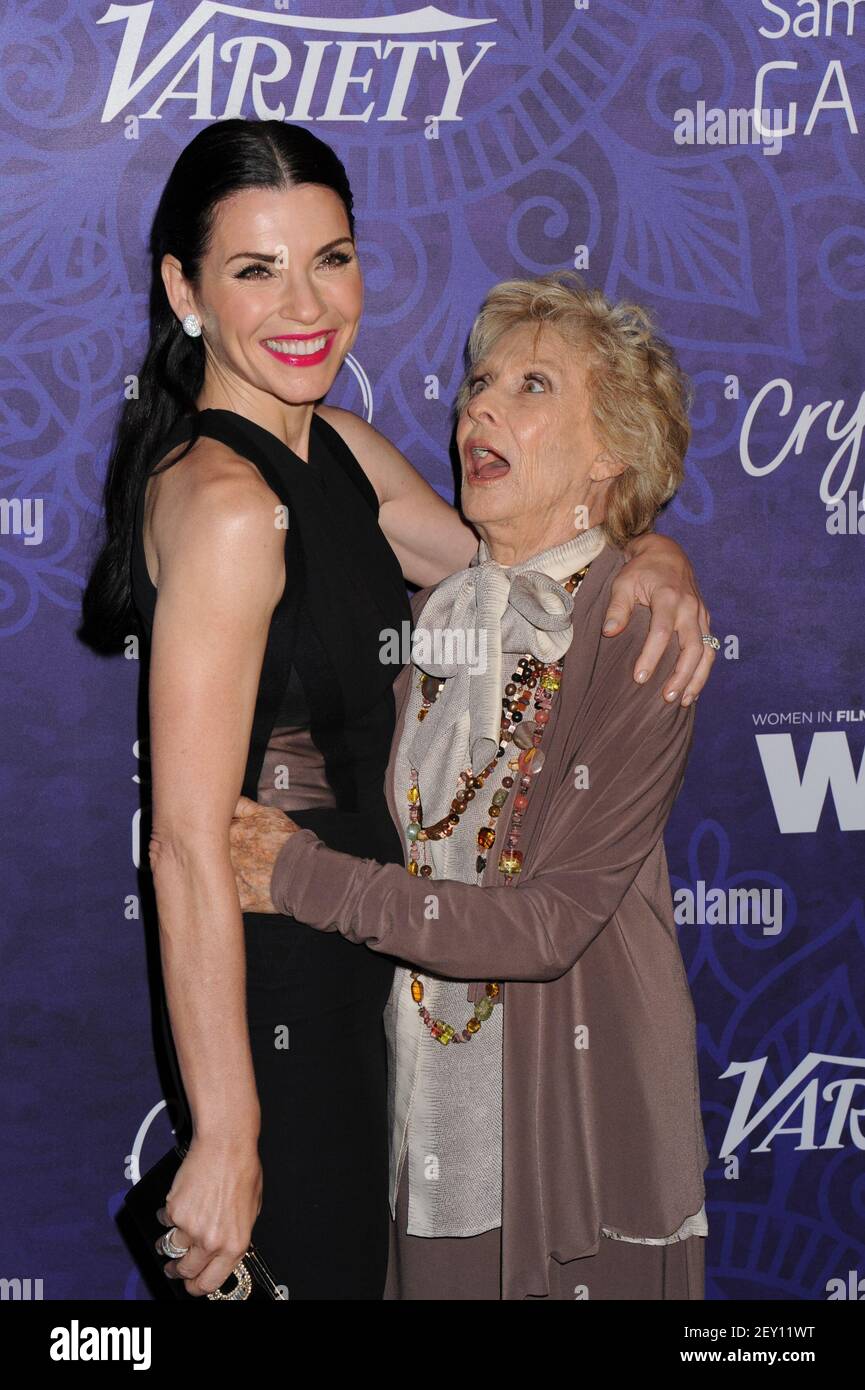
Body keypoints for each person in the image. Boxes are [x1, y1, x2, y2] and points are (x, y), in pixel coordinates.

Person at [79, 118, 714, 1301]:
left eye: (331, 256)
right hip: (278, 976)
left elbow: (524, 553)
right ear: (185, 289)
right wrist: (224, 1131)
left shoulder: (340, 450)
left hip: (381, 956)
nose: (306, 301)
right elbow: (182, 841)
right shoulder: (222, 501)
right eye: (255, 269)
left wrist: (655, 552)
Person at [229, 271, 714, 1301]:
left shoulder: (634, 633)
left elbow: (544, 926)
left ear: (608, 455)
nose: (478, 405)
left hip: (578, 1133)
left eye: (532, 386)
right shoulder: (444, 616)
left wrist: (297, 875)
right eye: (479, 380)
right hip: (428, 1111)